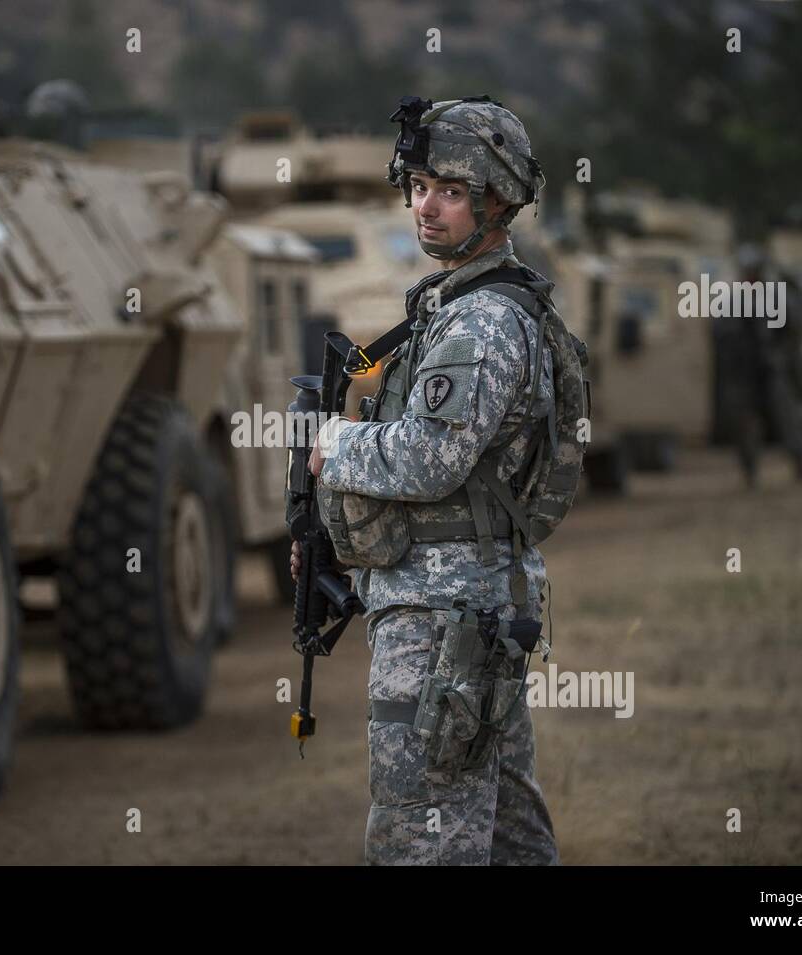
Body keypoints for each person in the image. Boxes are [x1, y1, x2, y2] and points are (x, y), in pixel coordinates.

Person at [290, 96, 563, 865]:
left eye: (449, 189)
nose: (425, 206)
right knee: (510, 834)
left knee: (422, 838)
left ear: (496, 199)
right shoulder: (464, 306)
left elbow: (430, 457)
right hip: (469, 609)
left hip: (444, 620)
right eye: (417, 186)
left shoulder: (481, 321)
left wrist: (334, 445)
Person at [728, 245, 802, 487]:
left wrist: (779, 355)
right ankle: (749, 471)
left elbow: (792, 331)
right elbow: (725, 334)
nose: (750, 276)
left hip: (776, 368)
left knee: (788, 417)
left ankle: (799, 463)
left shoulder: (778, 297)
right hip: (747, 371)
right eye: (746, 271)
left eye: (752, 271)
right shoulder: (735, 300)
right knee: (746, 423)